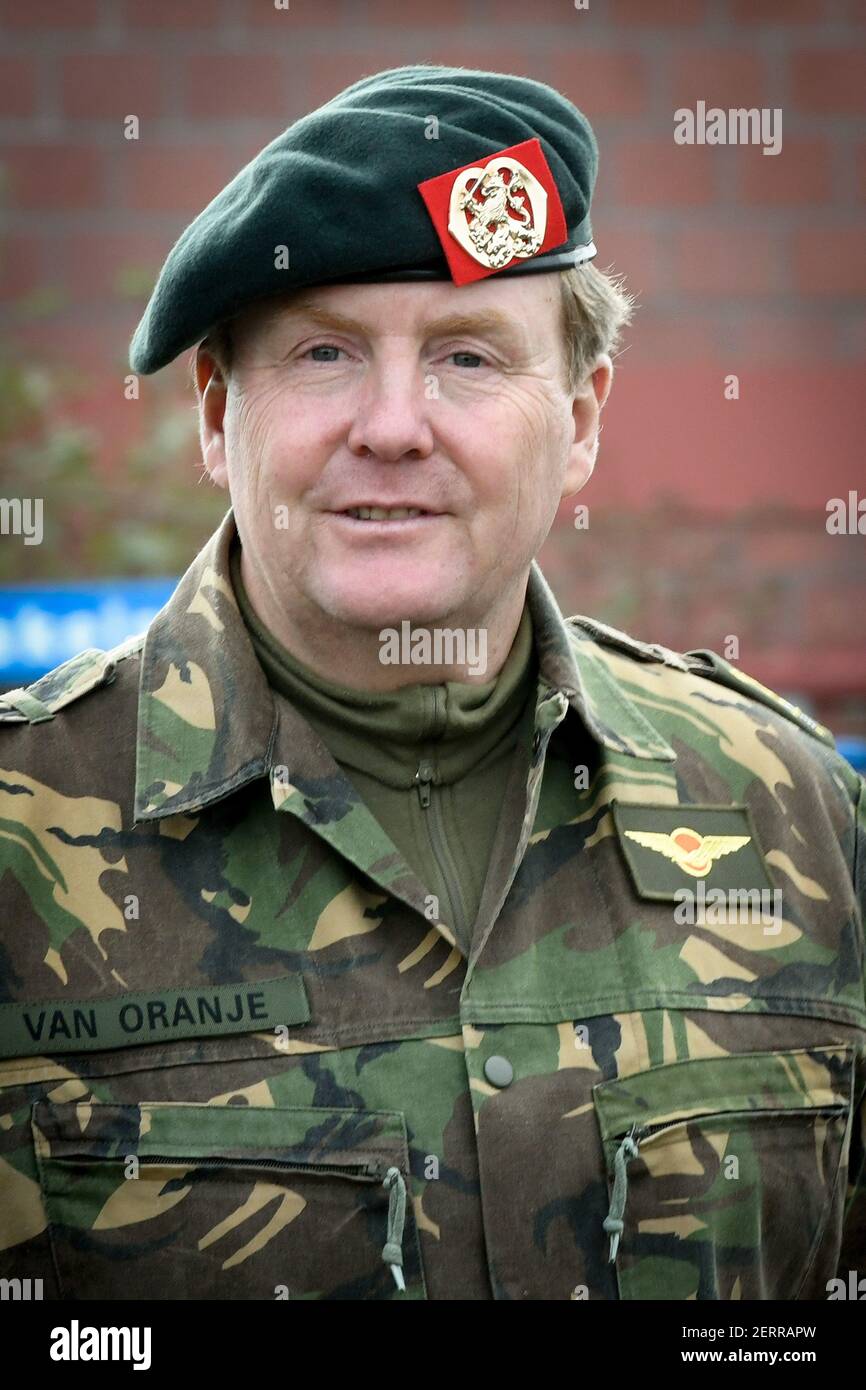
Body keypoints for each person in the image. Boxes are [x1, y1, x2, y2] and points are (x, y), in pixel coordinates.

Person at [0, 65, 863, 1303]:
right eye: (322, 354)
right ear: (211, 414)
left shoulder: (794, 814)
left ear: (579, 419)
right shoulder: (20, 836)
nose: (394, 425)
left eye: (466, 356)